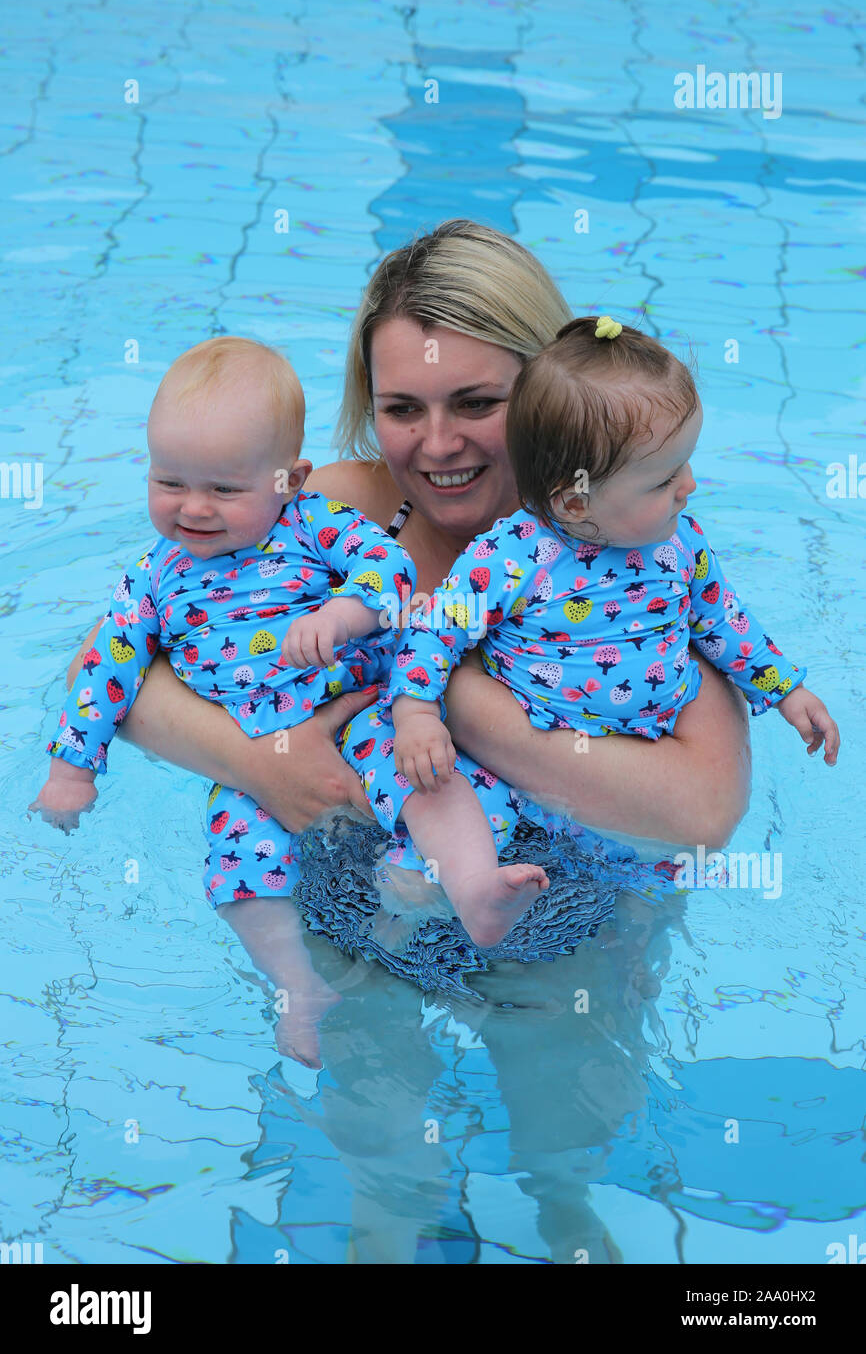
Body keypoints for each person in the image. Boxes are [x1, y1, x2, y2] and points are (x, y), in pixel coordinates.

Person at [60, 220, 758, 1067]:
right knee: (383, 1170)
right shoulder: (329, 513)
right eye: (401, 409)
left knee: (566, 1151)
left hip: (572, 925)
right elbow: (109, 663)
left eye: (477, 403)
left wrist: (432, 685)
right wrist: (262, 764)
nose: (437, 445)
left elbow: (701, 812)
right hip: (358, 909)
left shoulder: (629, 554)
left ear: (548, 397)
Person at [332, 314, 838, 949]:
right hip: (515, 781)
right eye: (665, 479)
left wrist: (787, 691)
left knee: (643, 903)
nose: (690, 487)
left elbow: (725, 622)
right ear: (575, 503)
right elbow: (437, 631)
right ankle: (406, 909)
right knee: (456, 822)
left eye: (684, 465)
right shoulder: (515, 557)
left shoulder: (678, 544)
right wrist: (414, 712)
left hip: (618, 774)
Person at [35, 335, 415, 1060]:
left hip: (359, 713)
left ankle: (415, 878)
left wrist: (342, 615)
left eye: (225, 490)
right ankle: (298, 986)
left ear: (289, 479)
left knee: (414, 768)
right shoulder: (155, 573)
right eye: (170, 483)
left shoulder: (314, 524)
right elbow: (106, 664)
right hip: (251, 757)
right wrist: (70, 769)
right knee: (237, 867)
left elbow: (391, 567)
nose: (194, 509)